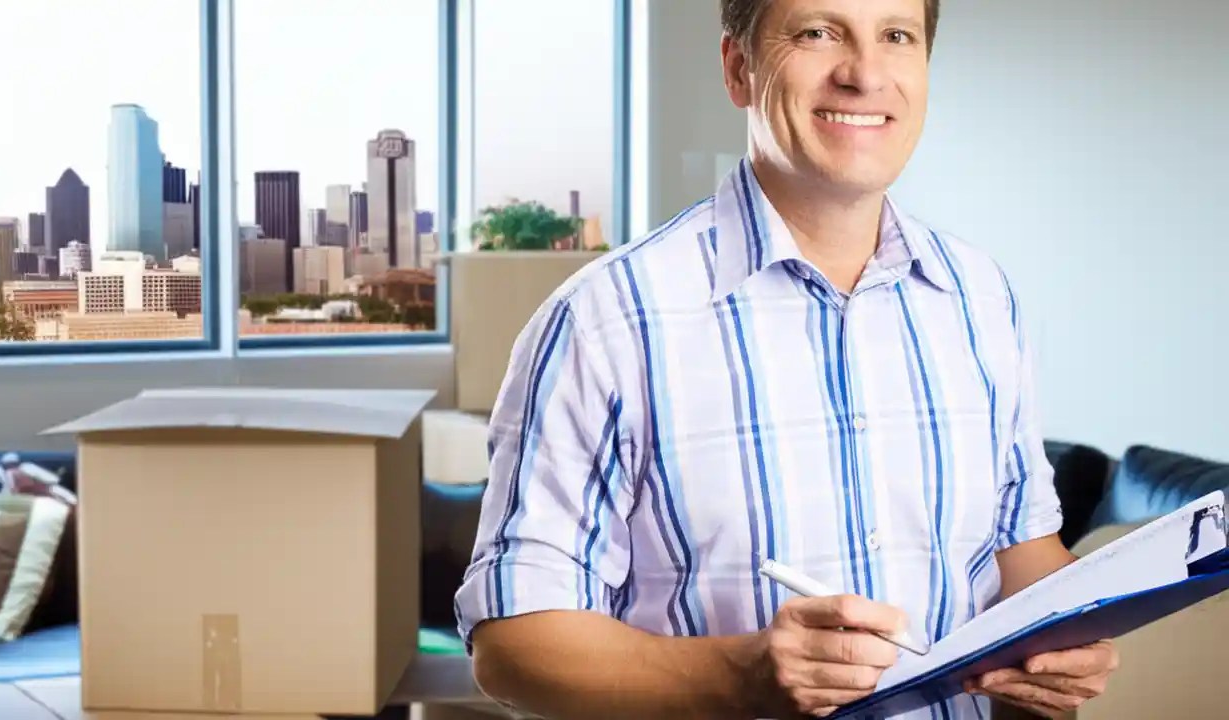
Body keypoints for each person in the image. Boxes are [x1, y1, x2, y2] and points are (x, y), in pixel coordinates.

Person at [453, 0, 1120, 717]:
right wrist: (743, 675)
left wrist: (1071, 638)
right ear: (739, 68)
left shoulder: (982, 298)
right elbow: (513, 645)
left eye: (896, 36)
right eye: (817, 33)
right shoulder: (602, 321)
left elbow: (1021, 552)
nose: (864, 74)